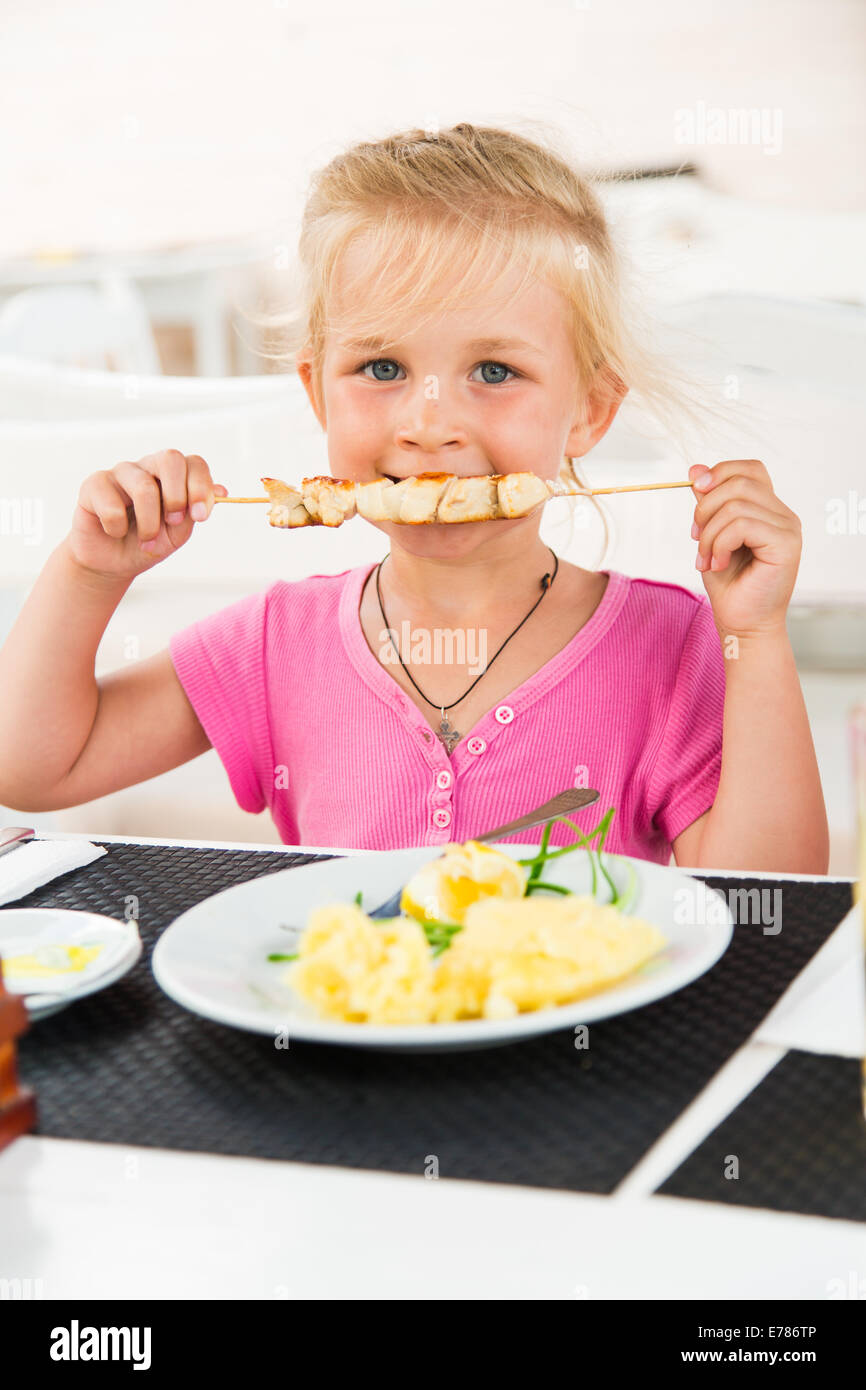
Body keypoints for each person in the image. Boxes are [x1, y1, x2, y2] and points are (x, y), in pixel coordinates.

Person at [0, 123, 828, 871]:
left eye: (494, 372)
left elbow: (774, 888)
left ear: (589, 411)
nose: (430, 425)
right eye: (383, 369)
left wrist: (753, 634)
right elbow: (37, 767)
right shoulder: (272, 645)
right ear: (319, 394)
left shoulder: (675, 646)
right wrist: (89, 573)